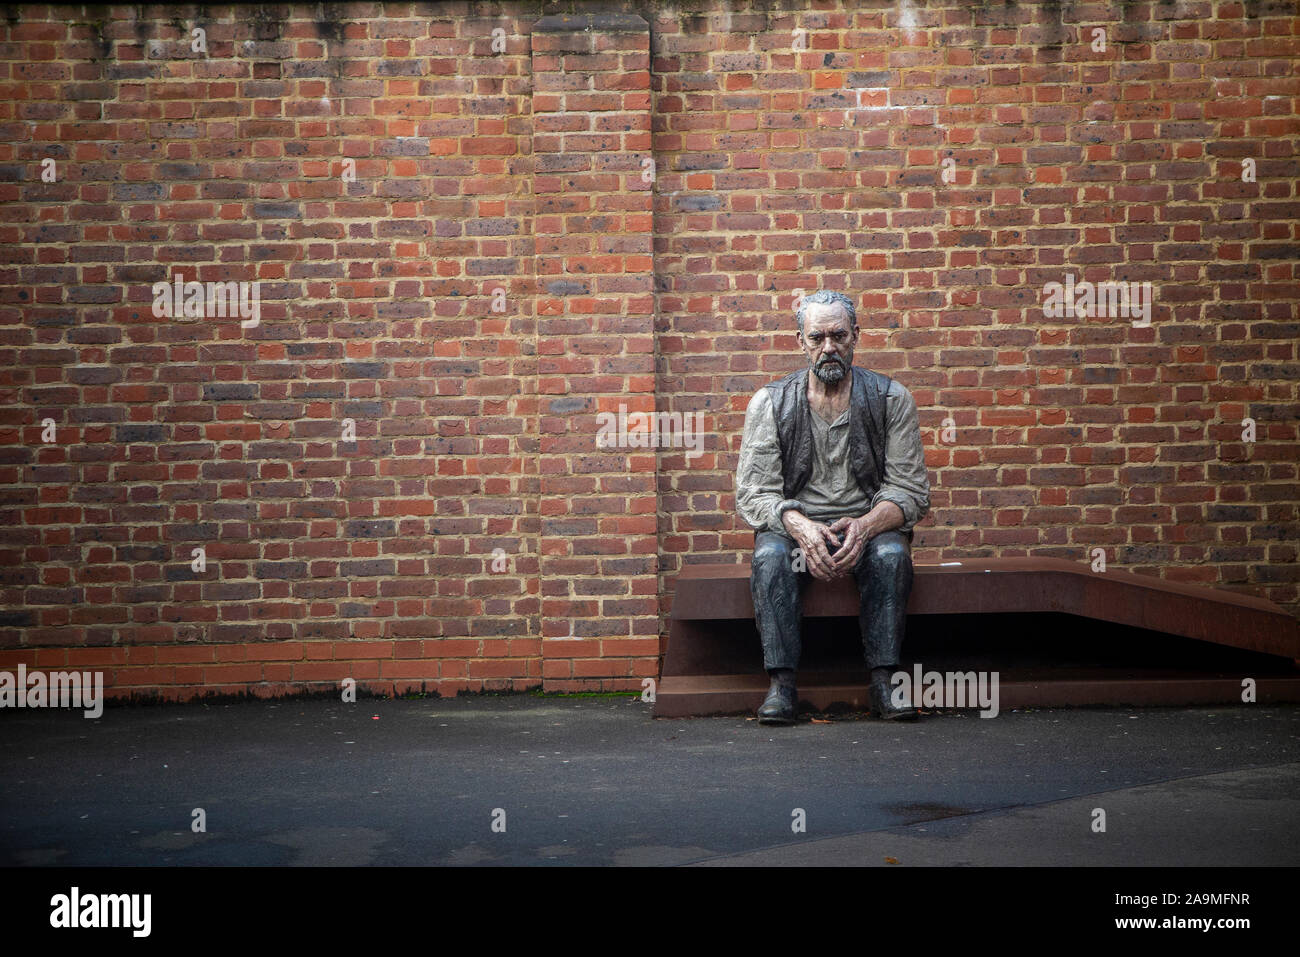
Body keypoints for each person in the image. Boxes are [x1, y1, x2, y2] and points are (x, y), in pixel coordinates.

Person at [735, 290, 931, 724]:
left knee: (892, 556)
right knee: (770, 557)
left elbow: (911, 492)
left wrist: (865, 525)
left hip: (867, 523)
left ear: (856, 335)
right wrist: (800, 526)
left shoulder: (890, 399)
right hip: (795, 527)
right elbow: (753, 492)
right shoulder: (769, 403)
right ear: (800, 340)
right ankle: (782, 686)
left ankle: (884, 681)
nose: (829, 347)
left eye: (839, 335)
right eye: (817, 337)